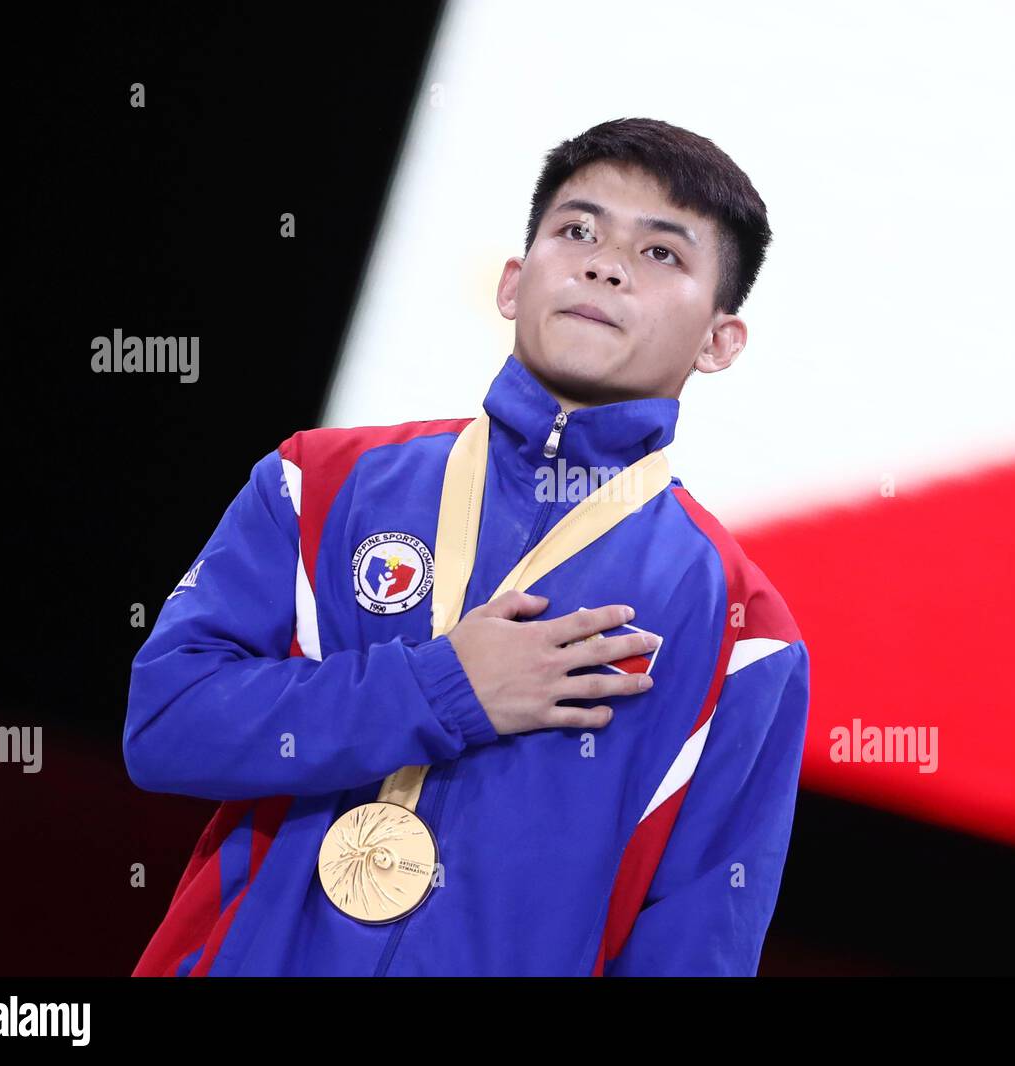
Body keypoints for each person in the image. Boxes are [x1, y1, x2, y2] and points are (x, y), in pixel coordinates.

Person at [123, 116, 811, 976]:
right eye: (578, 231)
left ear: (718, 340)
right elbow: (166, 725)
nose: (605, 265)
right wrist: (441, 689)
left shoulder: (744, 635)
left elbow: (698, 946)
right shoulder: (318, 484)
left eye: (661, 252)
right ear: (514, 283)